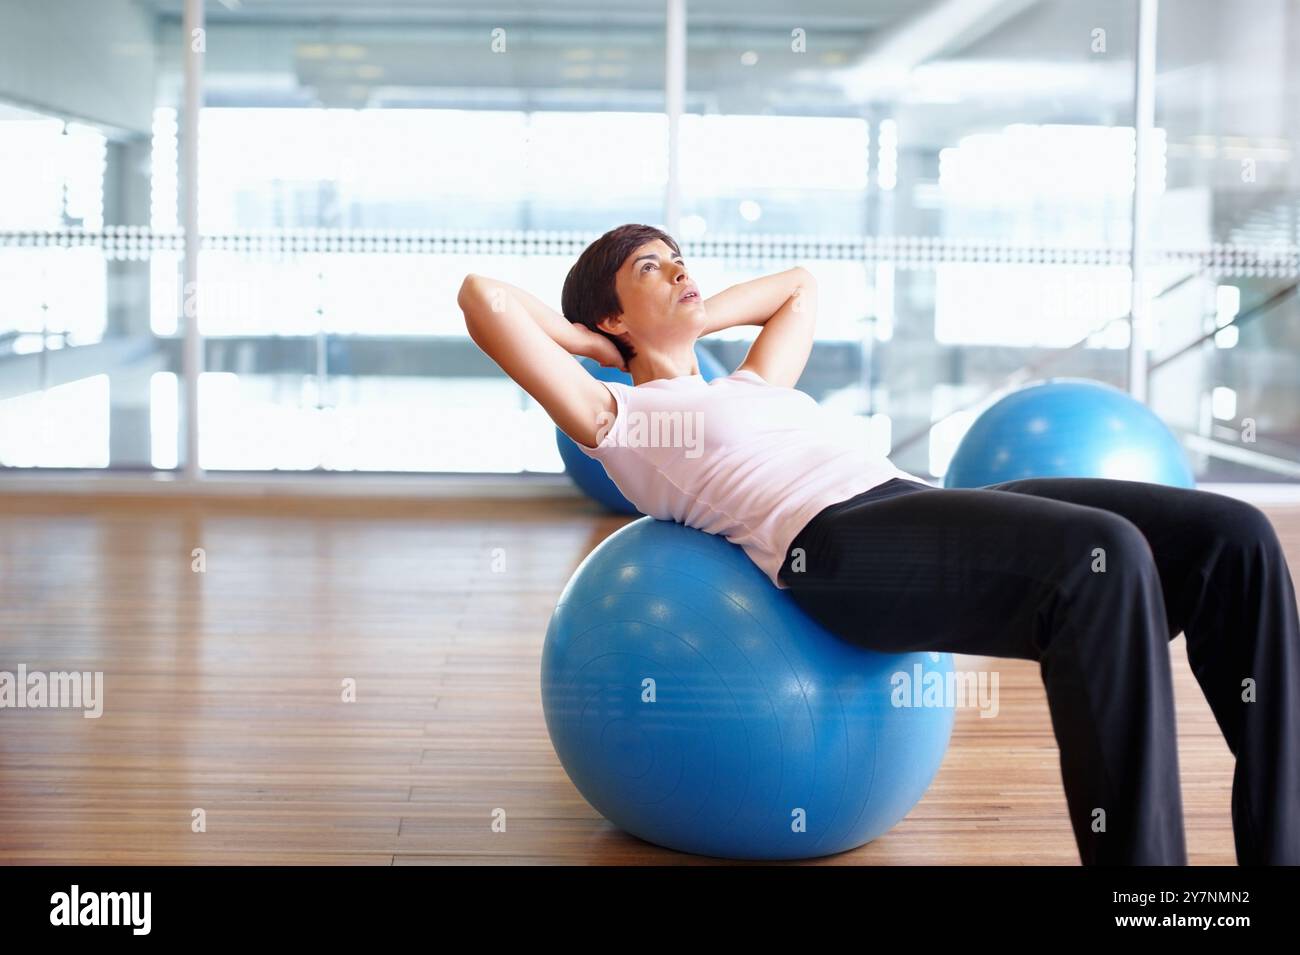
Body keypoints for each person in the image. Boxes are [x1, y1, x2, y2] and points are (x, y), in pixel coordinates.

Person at [458, 222, 1299, 866]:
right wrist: (586, 344)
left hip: (916, 501)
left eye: (682, 257)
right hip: (839, 545)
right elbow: (482, 298)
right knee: (1099, 557)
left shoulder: (751, 383)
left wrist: (694, 310)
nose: (681, 269)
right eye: (652, 267)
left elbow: (799, 288)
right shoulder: (621, 419)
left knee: (1235, 538)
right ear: (611, 314)